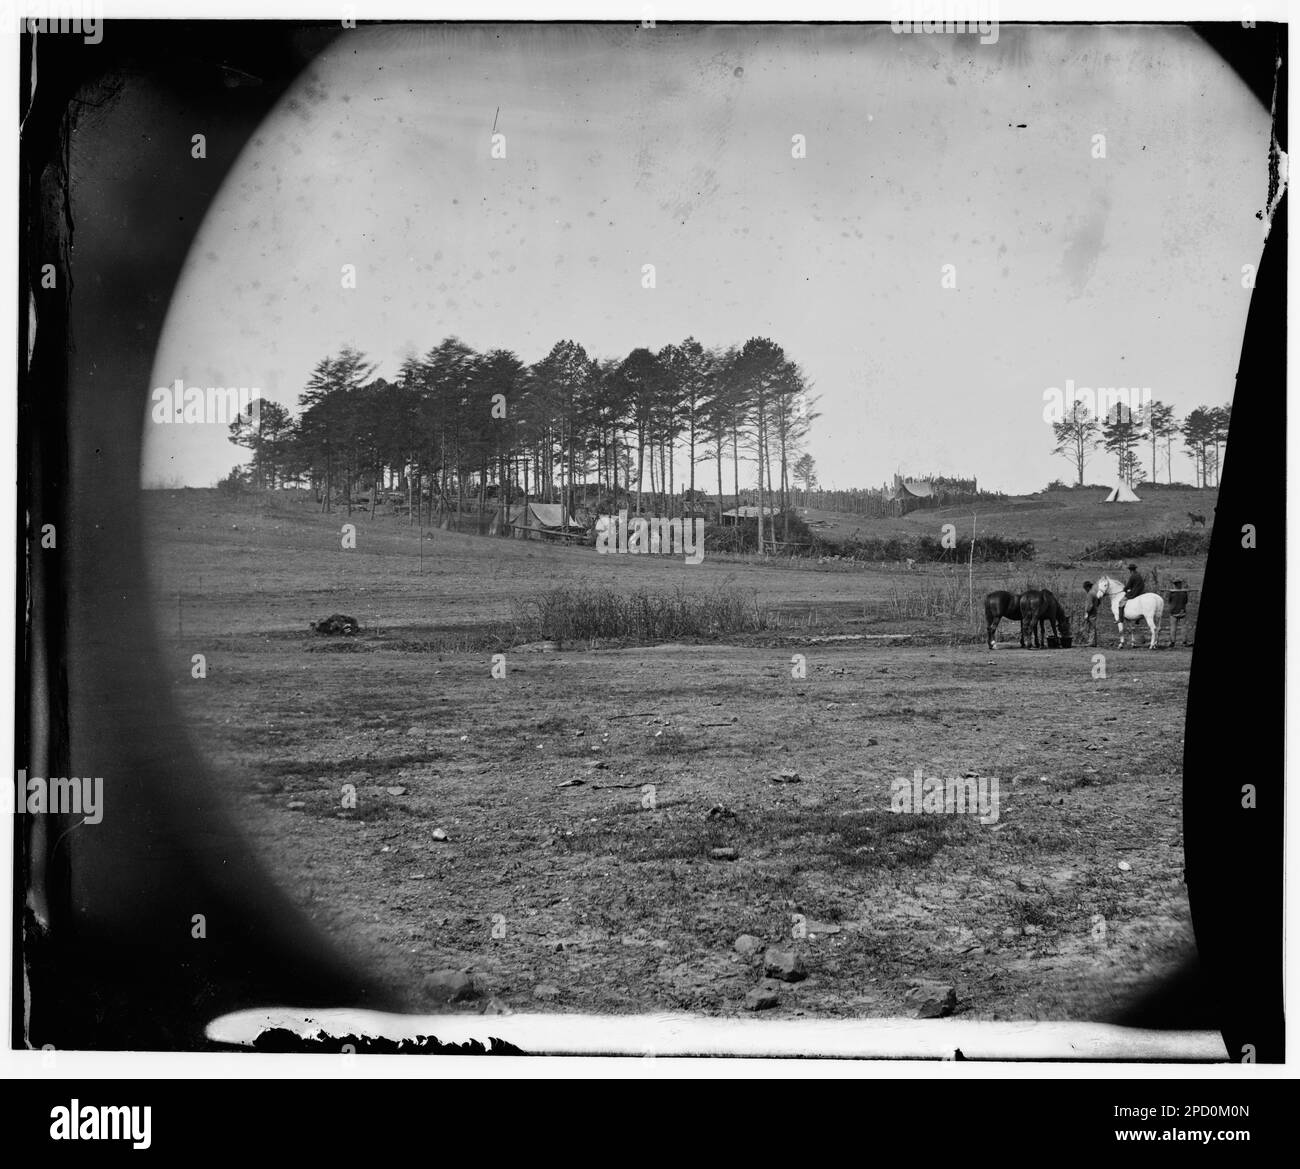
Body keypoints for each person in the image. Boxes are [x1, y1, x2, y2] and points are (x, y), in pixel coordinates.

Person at [1168, 578, 1190, 647]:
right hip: (1182, 611)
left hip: (1173, 612)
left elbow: (1169, 601)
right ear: (1180, 584)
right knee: (1183, 627)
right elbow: (1186, 601)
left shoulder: (1172, 593)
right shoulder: (1184, 592)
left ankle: (1172, 642)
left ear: (1175, 585)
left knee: (1173, 627)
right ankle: (1184, 642)